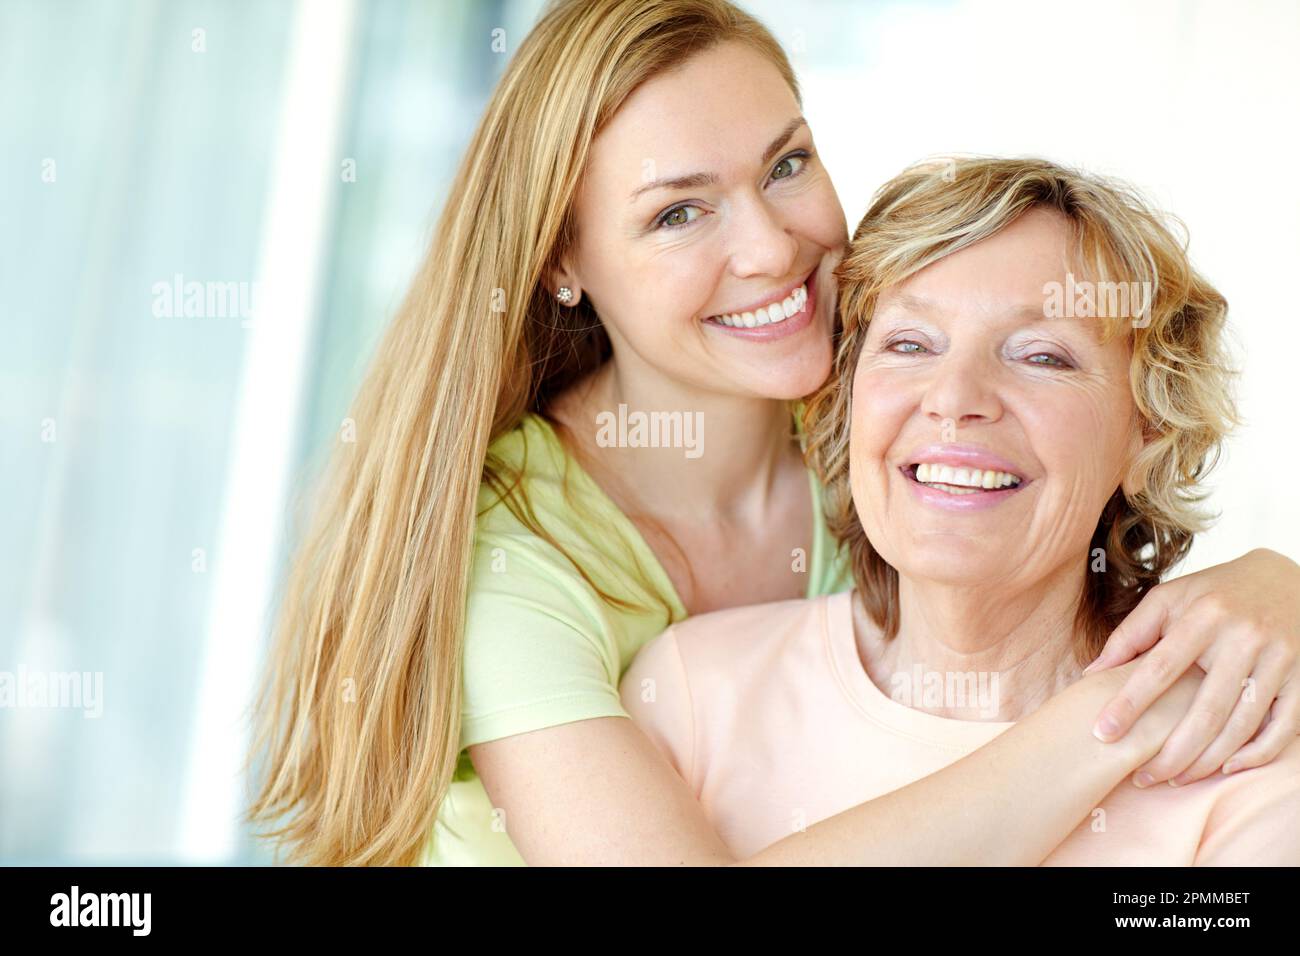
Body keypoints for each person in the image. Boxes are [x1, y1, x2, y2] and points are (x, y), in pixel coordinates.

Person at [246, 0, 1300, 866]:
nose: (771, 246)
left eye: (785, 164)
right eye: (677, 213)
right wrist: (1130, 717)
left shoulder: (890, 438)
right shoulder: (507, 560)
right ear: (560, 263)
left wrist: (1274, 585)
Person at [620, 157, 1300, 864]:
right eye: (910, 345)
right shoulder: (694, 691)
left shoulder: (1253, 762)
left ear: (1149, 430)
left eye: (1042, 356)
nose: (954, 397)